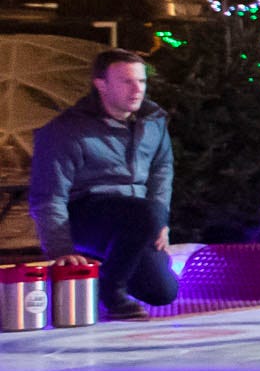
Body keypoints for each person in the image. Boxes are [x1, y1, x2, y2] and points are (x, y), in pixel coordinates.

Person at [30, 48, 179, 317]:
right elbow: (49, 195)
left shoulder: (153, 122)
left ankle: (108, 270)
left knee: (162, 293)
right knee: (142, 212)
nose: (137, 89)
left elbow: (161, 170)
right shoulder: (66, 131)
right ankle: (111, 291)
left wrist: (160, 223)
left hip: (135, 219)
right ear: (101, 85)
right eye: (126, 81)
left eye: (142, 81)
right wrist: (61, 250)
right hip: (85, 215)